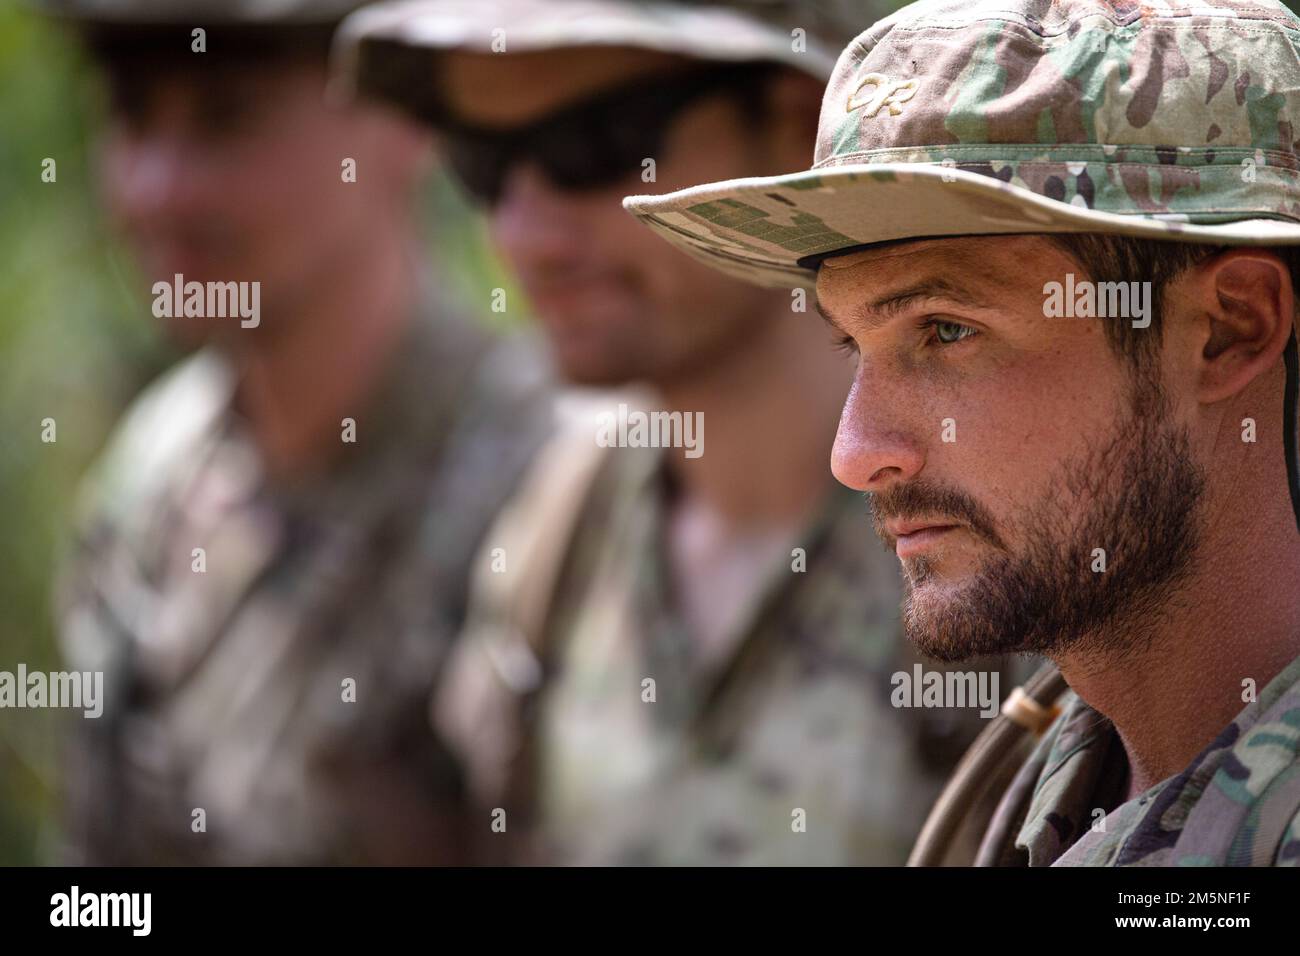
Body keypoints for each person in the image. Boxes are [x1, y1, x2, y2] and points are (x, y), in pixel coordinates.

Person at [625, 0, 1300, 865]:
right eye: (853, 344)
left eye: (945, 331)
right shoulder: (1041, 772)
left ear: (1228, 329)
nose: (856, 453)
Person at [337, 0, 1009, 865]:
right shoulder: (552, 525)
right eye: (485, 166)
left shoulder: (999, 536)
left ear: (799, 121)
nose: (522, 236)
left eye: (595, 146)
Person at [46, 0, 552, 864]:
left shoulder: (551, 488)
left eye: (227, 116)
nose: (158, 189)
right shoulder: (152, 487)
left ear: (403, 125)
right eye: (132, 117)